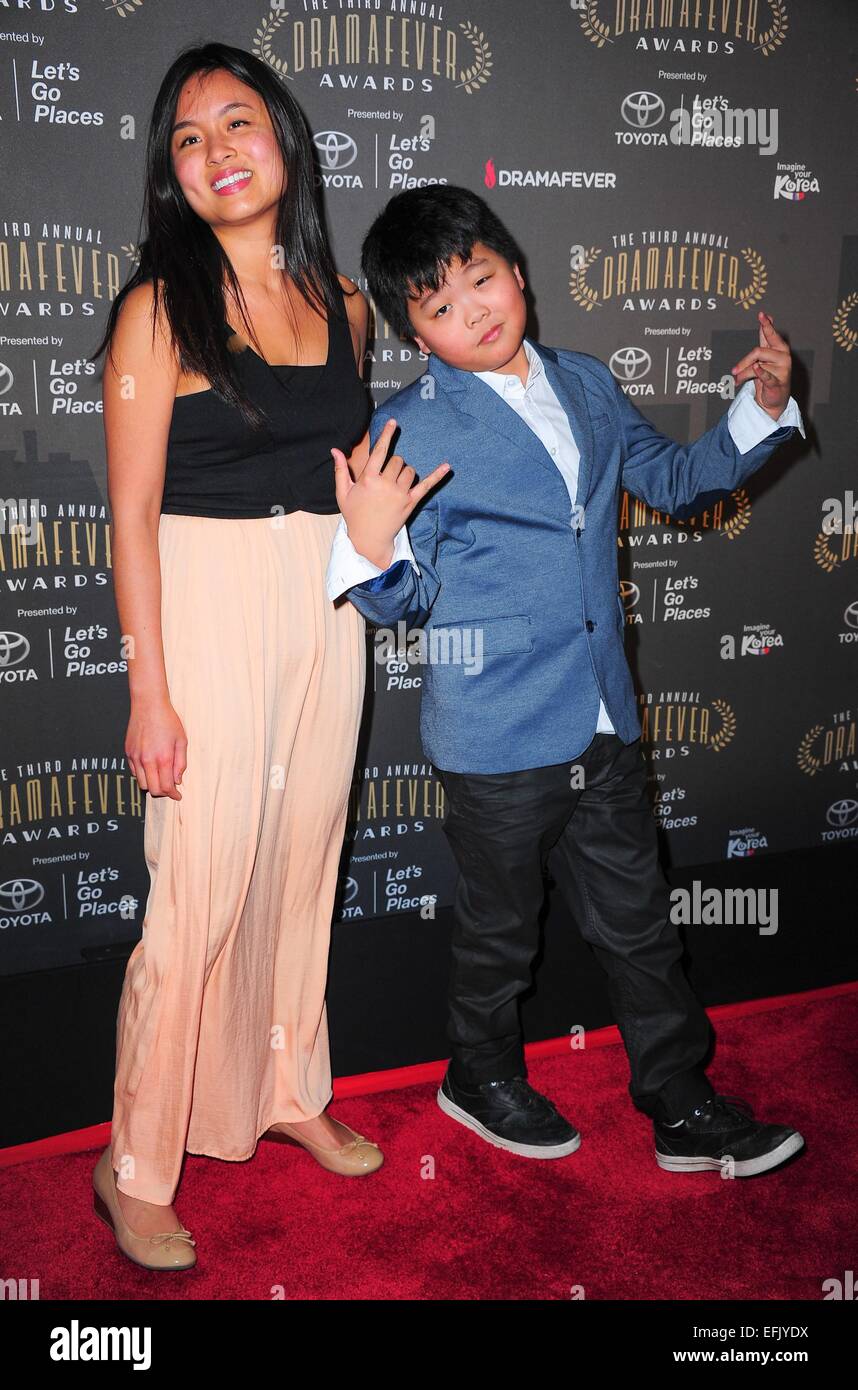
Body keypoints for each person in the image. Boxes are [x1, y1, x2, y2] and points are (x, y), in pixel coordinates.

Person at [325, 184, 807, 1179]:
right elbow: (406, 604)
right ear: (413, 329)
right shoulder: (409, 431)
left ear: (518, 269)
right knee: (501, 933)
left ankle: (680, 1098)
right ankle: (480, 1073)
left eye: (483, 278)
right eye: (441, 305)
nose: (475, 311)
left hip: (603, 719)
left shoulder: (585, 382)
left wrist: (757, 414)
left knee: (642, 925)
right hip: (497, 739)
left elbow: (675, 480)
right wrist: (371, 549)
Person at [89, 42, 383, 1273]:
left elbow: (348, 479)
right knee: (196, 893)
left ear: (286, 142)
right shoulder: (157, 311)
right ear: (172, 174)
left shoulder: (346, 302)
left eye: (238, 123)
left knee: (304, 862)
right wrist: (149, 687)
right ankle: (137, 1162)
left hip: (328, 603)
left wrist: (370, 537)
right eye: (189, 138)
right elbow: (132, 515)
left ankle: (286, 1086)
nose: (216, 151)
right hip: (204, 601)